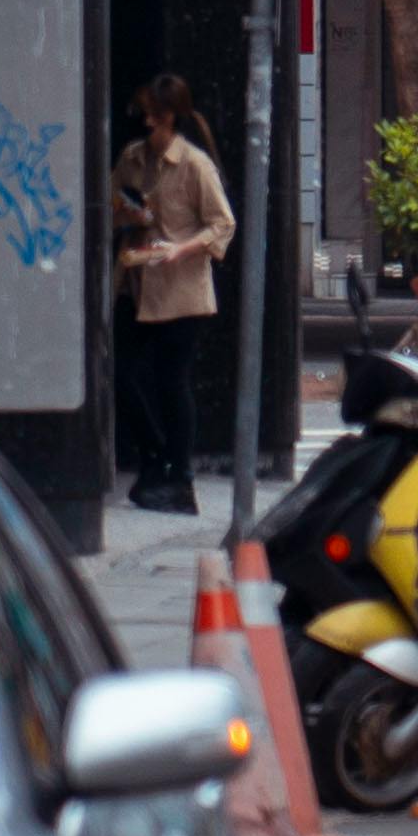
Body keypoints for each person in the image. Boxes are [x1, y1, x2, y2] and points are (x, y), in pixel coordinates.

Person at [110, 82, 238, 515]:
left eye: (157, 115)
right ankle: (154, 453)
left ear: (171, 117)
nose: (148, 124)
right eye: (145, 114)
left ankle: (180, 477)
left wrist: (181, 249)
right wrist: (127, 214)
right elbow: (110, 205)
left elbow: (222, 224)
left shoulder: (194, 164)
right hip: (138, 280)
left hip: (181, 289)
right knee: (120, 371)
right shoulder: (133, 158)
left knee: (172, 381)